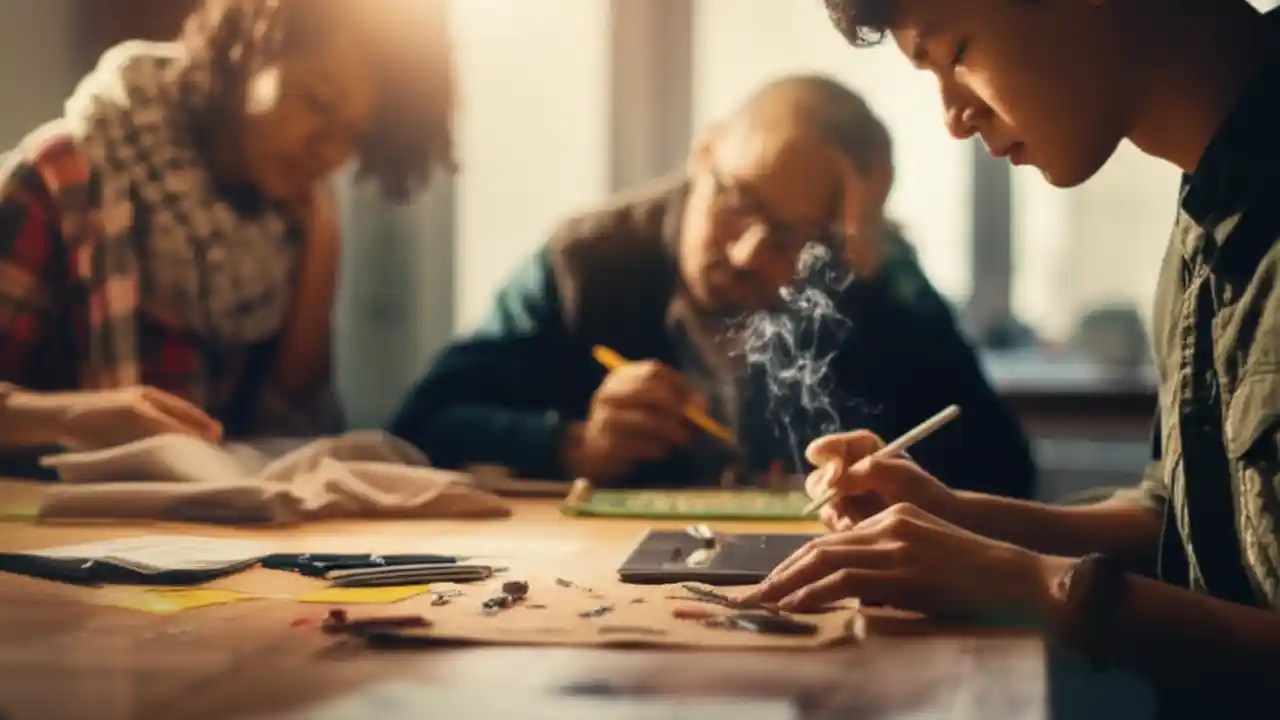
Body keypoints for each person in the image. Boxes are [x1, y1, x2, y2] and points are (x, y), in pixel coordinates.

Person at [745, 1, 1280, 714]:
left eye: (957, 52)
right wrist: (957, 518)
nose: (953, 118)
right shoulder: (1212, 201)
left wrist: (1037, 588)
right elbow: (1183, 524)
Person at [391, 75, 1034, 495]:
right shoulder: (588, 263)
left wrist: (872, 283)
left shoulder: (868, 277)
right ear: (703, 155)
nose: (746, 252)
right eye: (737, 199)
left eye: (792, 236)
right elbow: (422, 424)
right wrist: (574, 444)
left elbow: (1003, 468)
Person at [0, 0, 454, 456]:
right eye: (318, 102)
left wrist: (320, 265)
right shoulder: (61, 179)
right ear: (250, 50)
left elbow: (294, 437)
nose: (329, 151)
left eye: (353, 134)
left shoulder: (294, 224)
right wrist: (72, 418)